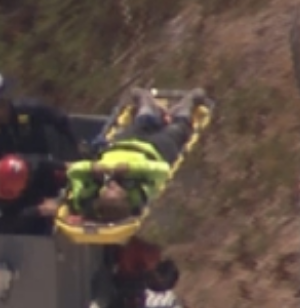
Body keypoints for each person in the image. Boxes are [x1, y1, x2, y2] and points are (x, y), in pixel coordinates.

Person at [63, 88, 209, 224]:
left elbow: (73, 172)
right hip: (155, 150)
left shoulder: (90, 191)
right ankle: (187, 104)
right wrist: (130, 169)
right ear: (125, 197)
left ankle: (148, 103)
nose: (112, 185)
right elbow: (162, 170)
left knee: (144, 118)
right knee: (178, 129)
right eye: (116, 191)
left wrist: (92, 168)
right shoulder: (140, 194)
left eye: (107, 191)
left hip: (123, 144)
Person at [0, 68, 83, 181]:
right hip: (14, 188)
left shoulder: (30, 110)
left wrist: (77, 149)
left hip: (47, 177)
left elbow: (60, 119)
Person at [0, 154, 61, 235]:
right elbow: (6, 225)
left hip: (18, 207)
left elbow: (38, 163)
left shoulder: (9, 166)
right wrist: (39, 210)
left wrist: (65, 166)